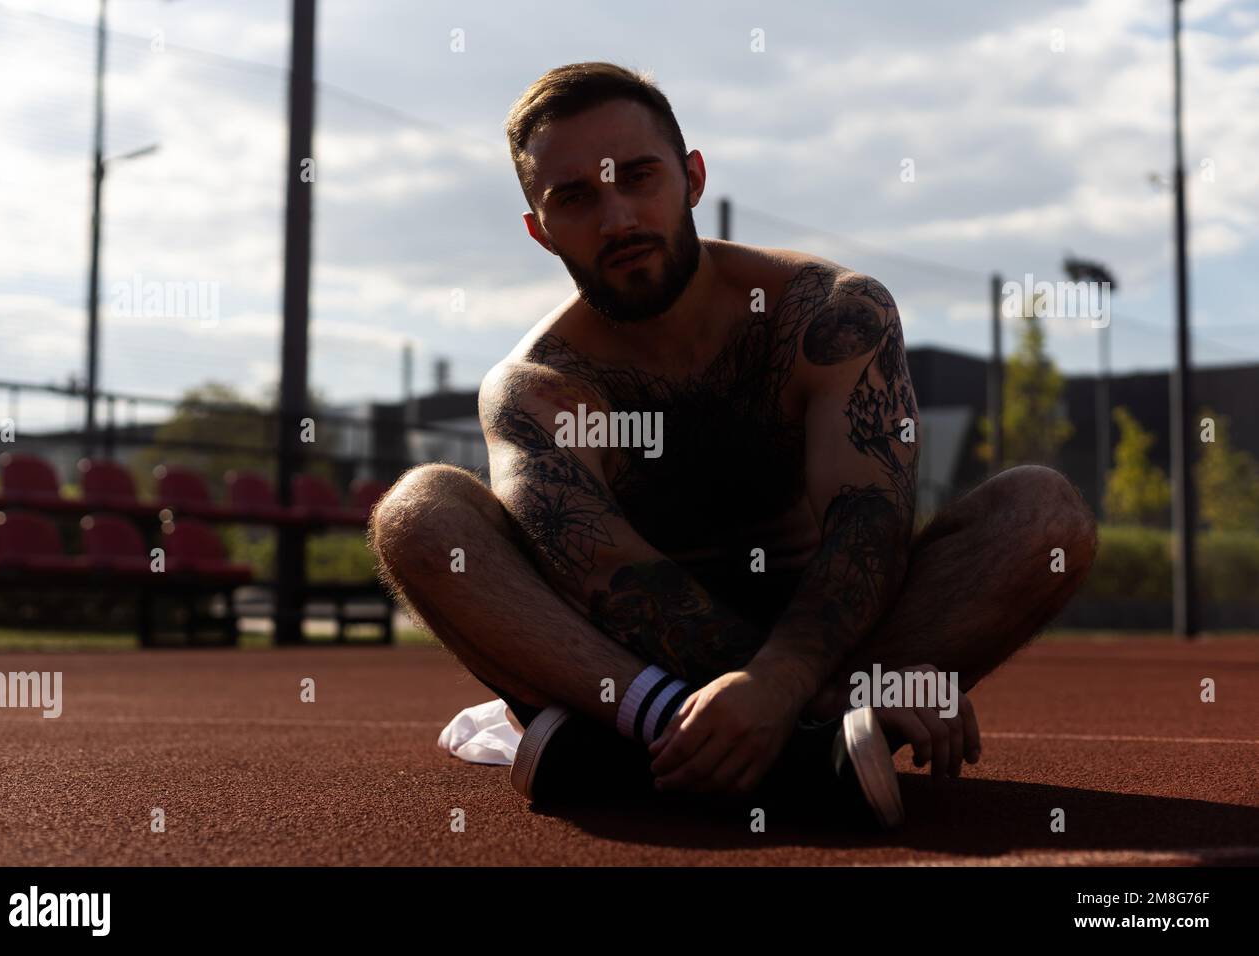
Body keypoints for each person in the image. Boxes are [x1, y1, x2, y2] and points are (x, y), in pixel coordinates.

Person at [370, 62, 1097, 823]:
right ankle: (783, 749)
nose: (617, 219)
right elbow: (608, 581)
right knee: (418, 514)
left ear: (691, 178)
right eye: (576, 197)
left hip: (834, 633)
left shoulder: (827, 314)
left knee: (1043, 515)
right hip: (640, 660)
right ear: (539, 229)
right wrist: (801, 699)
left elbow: (869, 529)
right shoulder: (539, 387)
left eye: (638, 177)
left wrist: (780, 684)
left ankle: (671, 753)